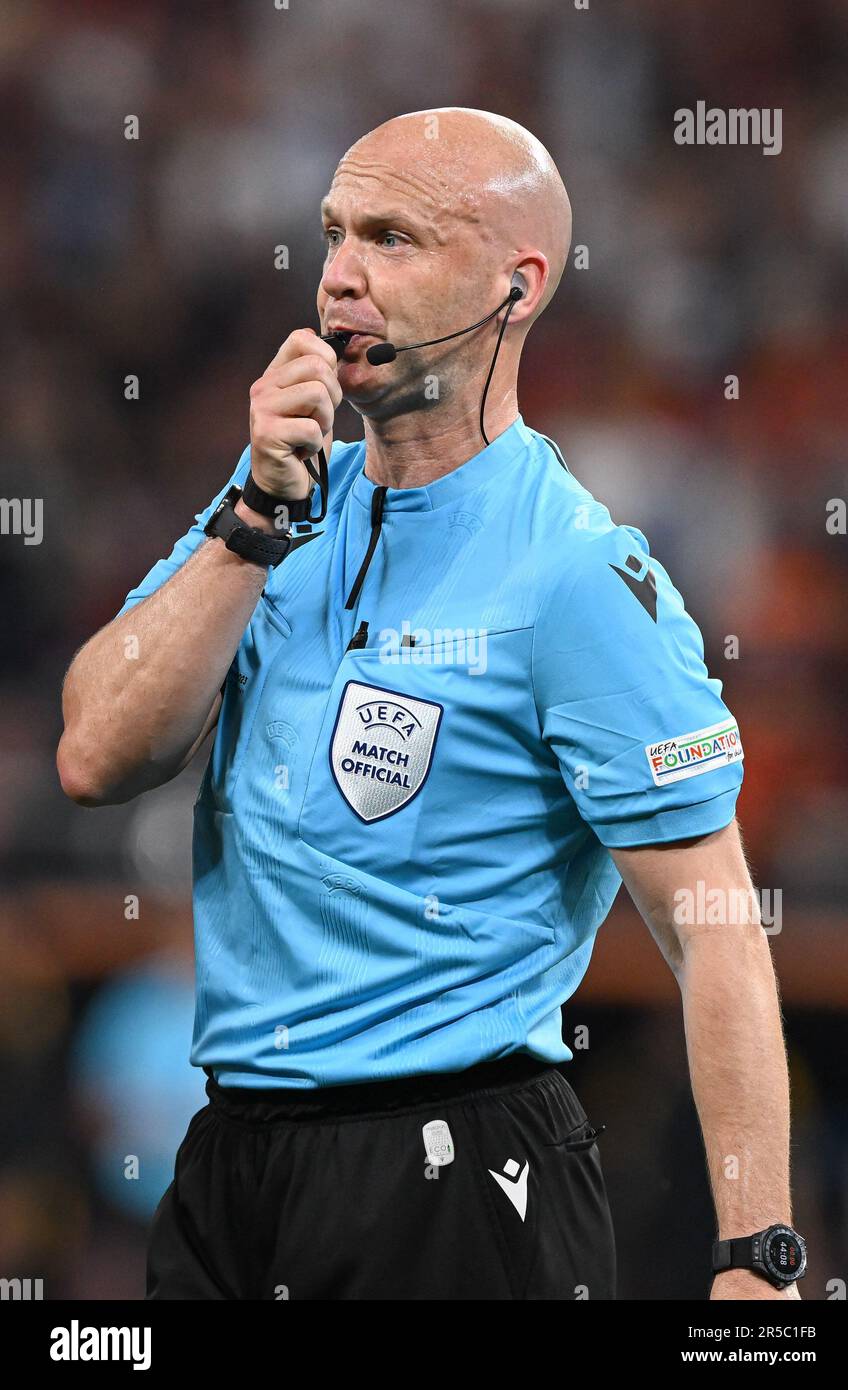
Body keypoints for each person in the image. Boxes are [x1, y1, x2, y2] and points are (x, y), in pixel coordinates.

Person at [57, 108, 804, 1301]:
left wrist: (755, 1261)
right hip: (229, 1168)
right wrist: (250, 523)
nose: (340, 277)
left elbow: (713, 927)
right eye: (333, 235)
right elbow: (94, 751)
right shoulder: (274, 506)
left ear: (516, 286)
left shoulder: (571, 573)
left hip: (457, 1176)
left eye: (393, 238)